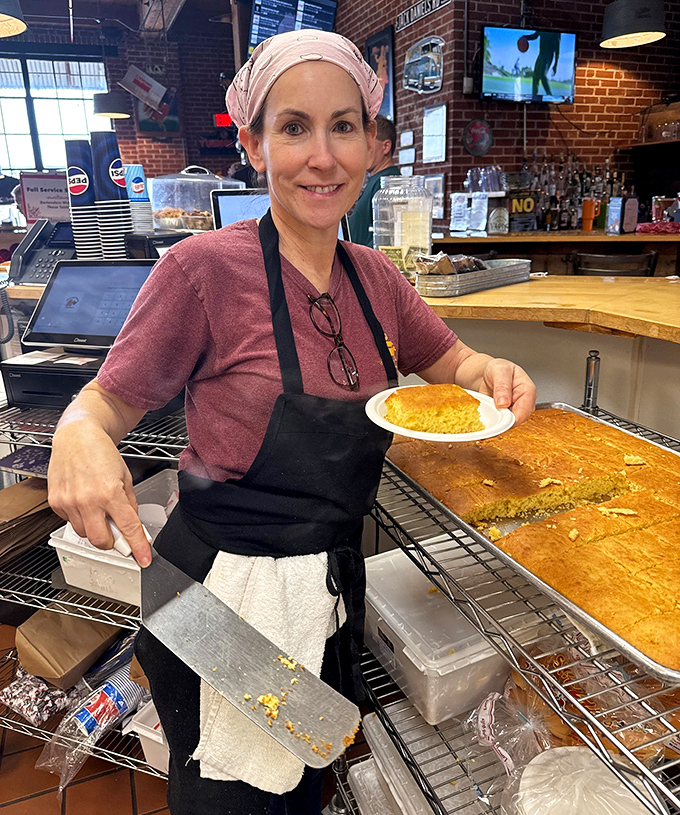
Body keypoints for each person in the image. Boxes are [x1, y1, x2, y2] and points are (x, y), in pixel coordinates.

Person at [47, 29, 536, 815]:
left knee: (305, 775)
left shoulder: (379, 277)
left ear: (374, 145)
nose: (322, 155)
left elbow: (458, 366)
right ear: (254, 142)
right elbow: (106, 401)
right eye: (294, 127)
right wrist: (78, 431)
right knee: (233, 795)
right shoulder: (200, 270)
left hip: (323, 589)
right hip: (215, 590)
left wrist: (492, 375)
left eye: (343, 126)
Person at [347, 114, 400, 246]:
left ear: (386, 147)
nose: (362, 150)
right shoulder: (376, 180)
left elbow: (388, 241)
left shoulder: (389, 184)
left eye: (369, 143)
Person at [525, 31, 561, 99]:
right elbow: (535, 35)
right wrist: (525, 37)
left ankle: (550, 96)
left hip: (548, 54)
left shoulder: (556, 31)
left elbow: (557, 47)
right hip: (541, 54)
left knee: (543, 75)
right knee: (535, 77)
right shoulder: (541, 29)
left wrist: (555, 64)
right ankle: (534, 97)